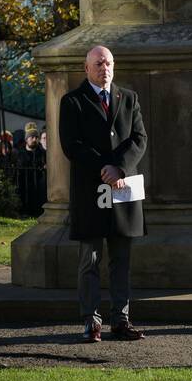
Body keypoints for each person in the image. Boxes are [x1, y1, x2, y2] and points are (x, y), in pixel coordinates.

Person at [59, 45, 148, 343]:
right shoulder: (72, 101)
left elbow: (139, 139)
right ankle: (91, 320)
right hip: (91, 191)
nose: (104, 68)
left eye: (108, 63)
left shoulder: (128, 98)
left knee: (121, 259)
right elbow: (72, 145)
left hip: (123, 190)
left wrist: (119, 168)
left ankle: (121, 320)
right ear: (86, 68)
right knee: (91, 259)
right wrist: (104, 168)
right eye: (98, 63)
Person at [15, 126, 47, 217]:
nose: (34, 139)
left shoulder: (43, 153)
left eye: (36, 137)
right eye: (31, 137)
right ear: (26, 139)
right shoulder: (20, 154)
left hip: (39, 183)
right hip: (25, 183)